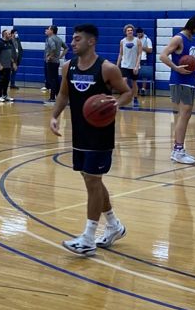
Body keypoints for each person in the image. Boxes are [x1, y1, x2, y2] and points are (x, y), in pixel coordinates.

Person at [48, 24, 133, 256]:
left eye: (76, 40)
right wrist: (55, 116)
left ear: (90, 42)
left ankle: (88, 238)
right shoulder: (69, 67)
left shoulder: (107, 68)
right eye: (73, 40)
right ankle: (114, 226)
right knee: (90, 180)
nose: (72, 43)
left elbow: (127, 92)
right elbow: (64, 94)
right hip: (80, 133)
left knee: (93, 182)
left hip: (101, 134)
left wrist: (116, 104)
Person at [161, 14, 195, 165]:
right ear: (194, 24)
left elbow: (191, 65)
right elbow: (163, 56)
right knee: (183, 115)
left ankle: (178, 150)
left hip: (188, 81)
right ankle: (178, 150)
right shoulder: (178, 38)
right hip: (179, 80)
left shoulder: (191, 40)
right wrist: (176, 68)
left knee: (185, 116)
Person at [116, 24, 142, 108]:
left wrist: (137, 66)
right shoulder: (122, 41)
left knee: (134, 82)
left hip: (134, 65)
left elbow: (139, 54)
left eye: (131, 30)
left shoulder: (137, 41)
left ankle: (135, 98)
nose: (130, 31)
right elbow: (120, 54)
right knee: (124, 80)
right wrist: (117, 65)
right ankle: (123, 99)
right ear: (125, 32)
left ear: (133, 31)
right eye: (128, 30)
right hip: (124, 65)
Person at [43, 25, 65, 105]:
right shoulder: (59, 39)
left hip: (51, 62)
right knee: (55, 79)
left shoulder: (50, 38)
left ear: (52, 30)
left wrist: (49, 56)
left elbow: (53, 48)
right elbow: (66, 48)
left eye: (48, 29)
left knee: (51, 79)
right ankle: (58, 96)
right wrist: (60, 57)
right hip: (56, 62)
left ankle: (52, 98)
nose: (46, 30)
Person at [0, 28, 18, 103]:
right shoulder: (0, 43)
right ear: (5, 35)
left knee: (7, 81)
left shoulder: (9, 43)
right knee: (1, 81)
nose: (10, 35)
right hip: (2, 66)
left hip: (8, 66)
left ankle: (5, 95)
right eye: (9, 34)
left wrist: (13, 63)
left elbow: (10, 55)